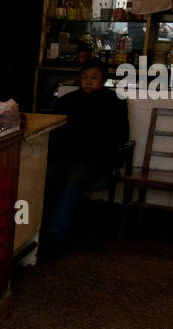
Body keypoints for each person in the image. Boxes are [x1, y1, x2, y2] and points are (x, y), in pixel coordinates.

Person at [42, 59, 130, 251]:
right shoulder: (66, 101)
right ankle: (35, 230)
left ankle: (54, 234)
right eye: (84, 77)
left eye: (94, 78)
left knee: (74, 178)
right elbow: (54, 135)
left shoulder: (114, 102)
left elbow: (120, 136)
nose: (88, 81)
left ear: (103, 80)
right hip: (65, 155)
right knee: (46, 175)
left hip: (96, 158)